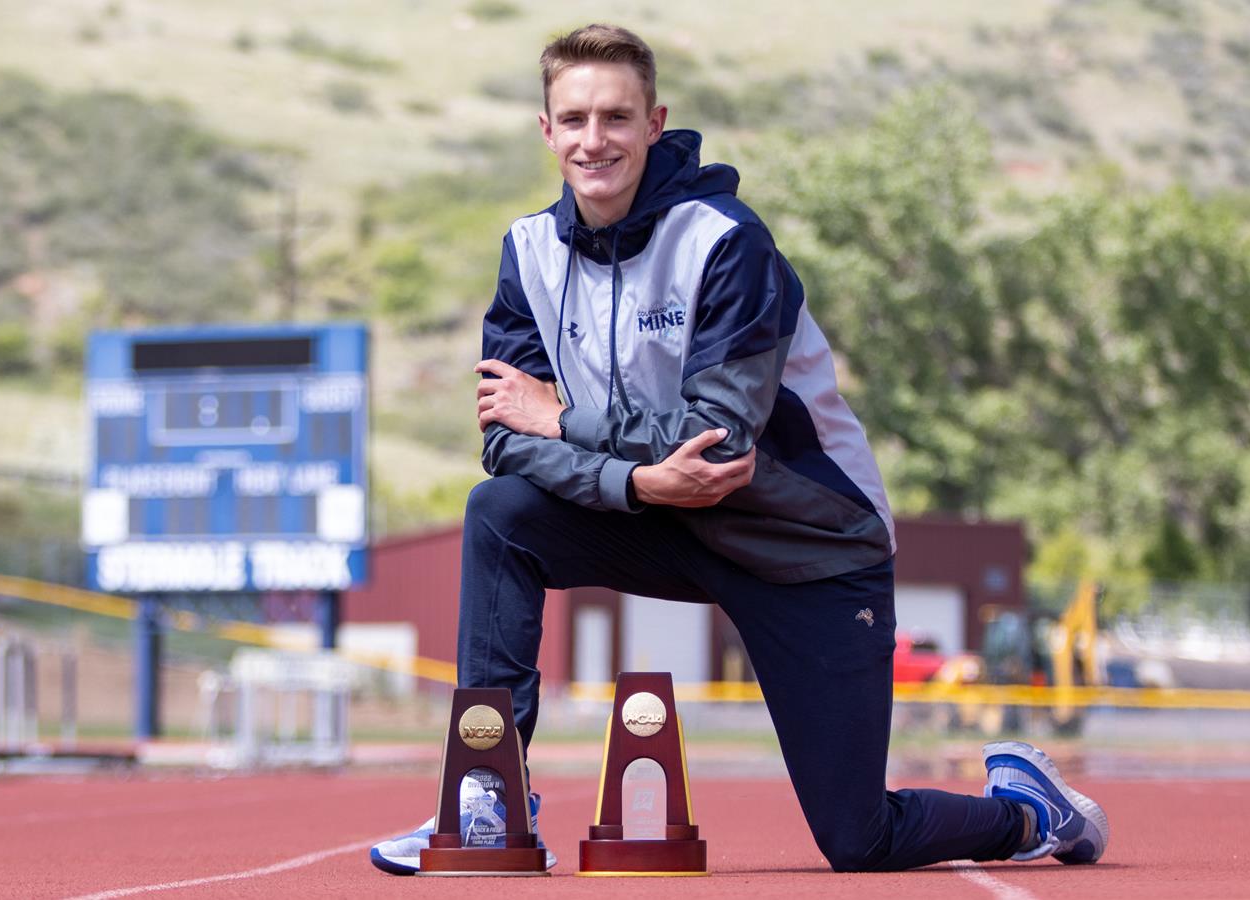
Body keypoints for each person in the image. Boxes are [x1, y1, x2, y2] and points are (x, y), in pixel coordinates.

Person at [371, 23, 1109, 875]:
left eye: (616, 116)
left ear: (656, 122)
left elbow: (713, 446)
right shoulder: (529, 253)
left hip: (804, 548)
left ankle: (1026, 814)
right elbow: (507, 438)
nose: (594, 139)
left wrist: (570, 421)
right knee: (499, 512)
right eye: (573, 119)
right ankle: (488, 793)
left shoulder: (726, 243)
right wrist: (640, 483)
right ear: (546, 130)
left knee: (858, 839)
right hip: (663, 519)